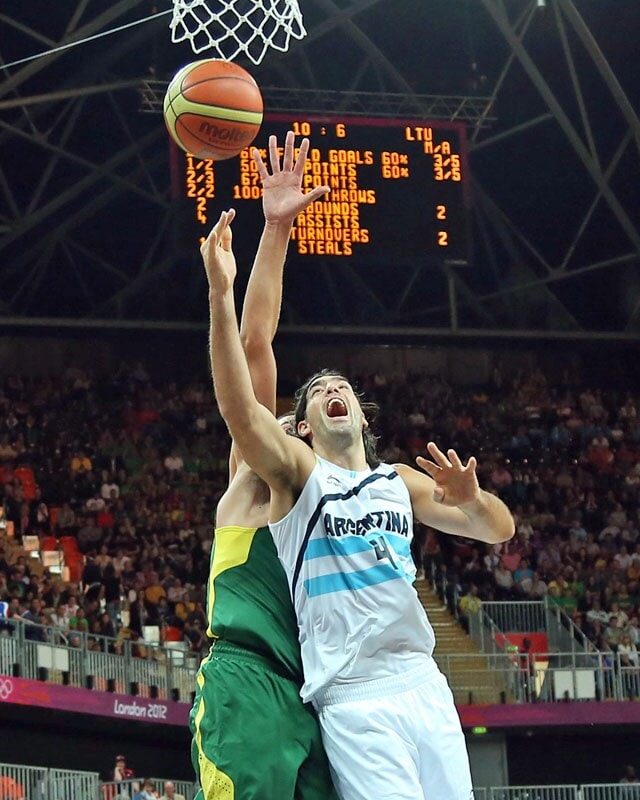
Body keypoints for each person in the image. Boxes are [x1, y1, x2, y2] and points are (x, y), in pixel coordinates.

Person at [203, 208, 515, 798]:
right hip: (277, 674)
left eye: (340, 386)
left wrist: (475, 502)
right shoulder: (280, 473)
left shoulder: (395, 480)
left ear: (365, 415)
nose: (331, 389)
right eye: (315, 392)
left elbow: (498, 528)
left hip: (370, 678)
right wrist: (237, 272)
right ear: (297, 426)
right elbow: (250, 358)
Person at [190, 131, 336, 800]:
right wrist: (274, 231)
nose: (272, 422)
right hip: (246, 682)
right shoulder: (251, 482)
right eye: (268, 419)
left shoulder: (330, 499)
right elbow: (255, 343)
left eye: (287, 421)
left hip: (310, 696)